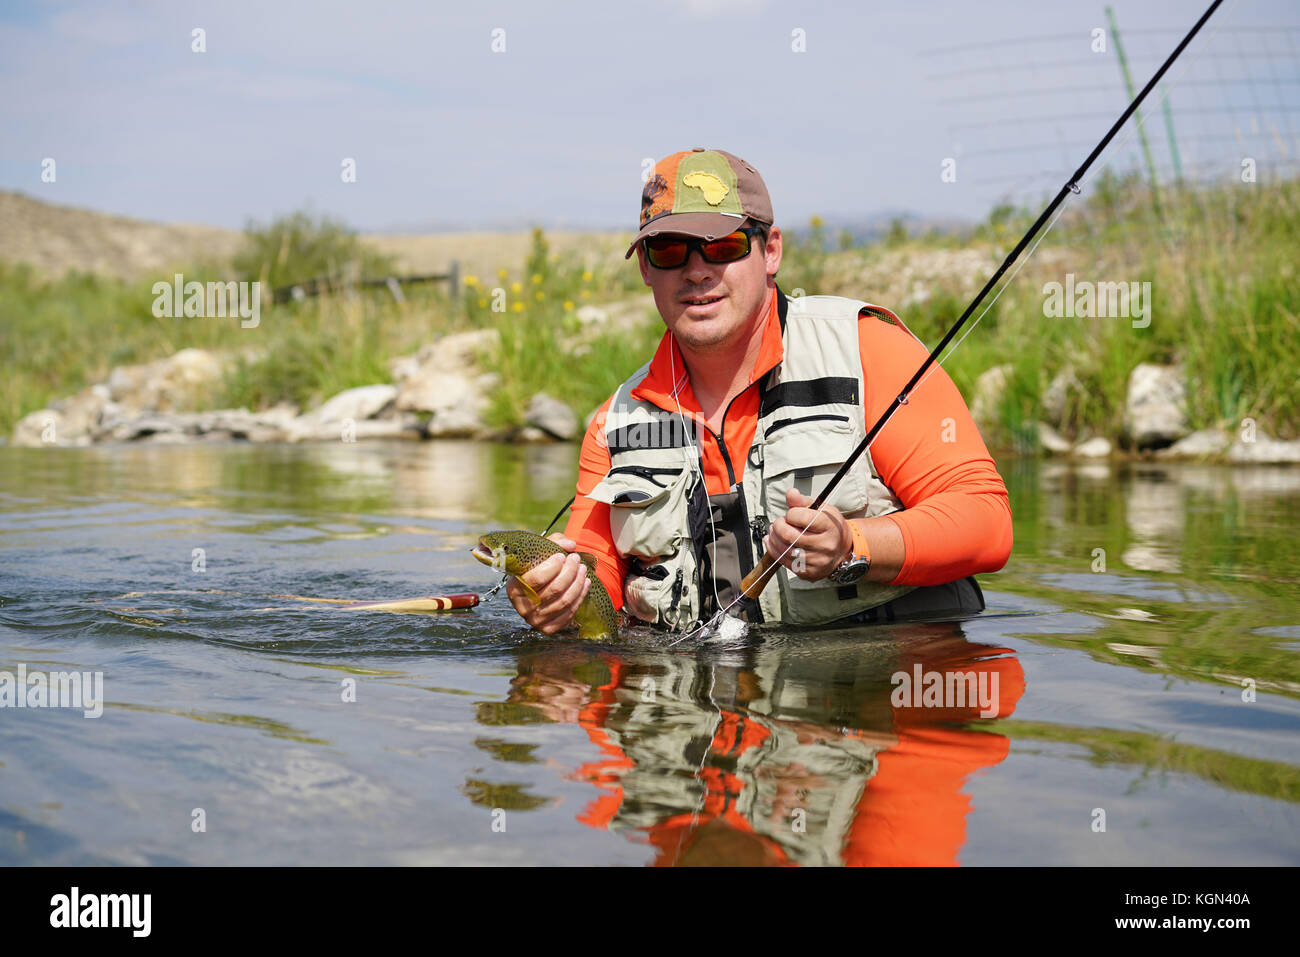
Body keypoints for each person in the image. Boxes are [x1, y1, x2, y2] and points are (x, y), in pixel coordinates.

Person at [507, 148, 1012, 633]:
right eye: (669, 250)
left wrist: (853, 544)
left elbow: (986, 523)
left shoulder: (870, 351)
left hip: (888, 676)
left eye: (723, 246)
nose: (697, 269)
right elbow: (595, 590)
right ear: (645, 268)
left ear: (770, 251)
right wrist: (555, 600)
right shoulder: (615, 423)